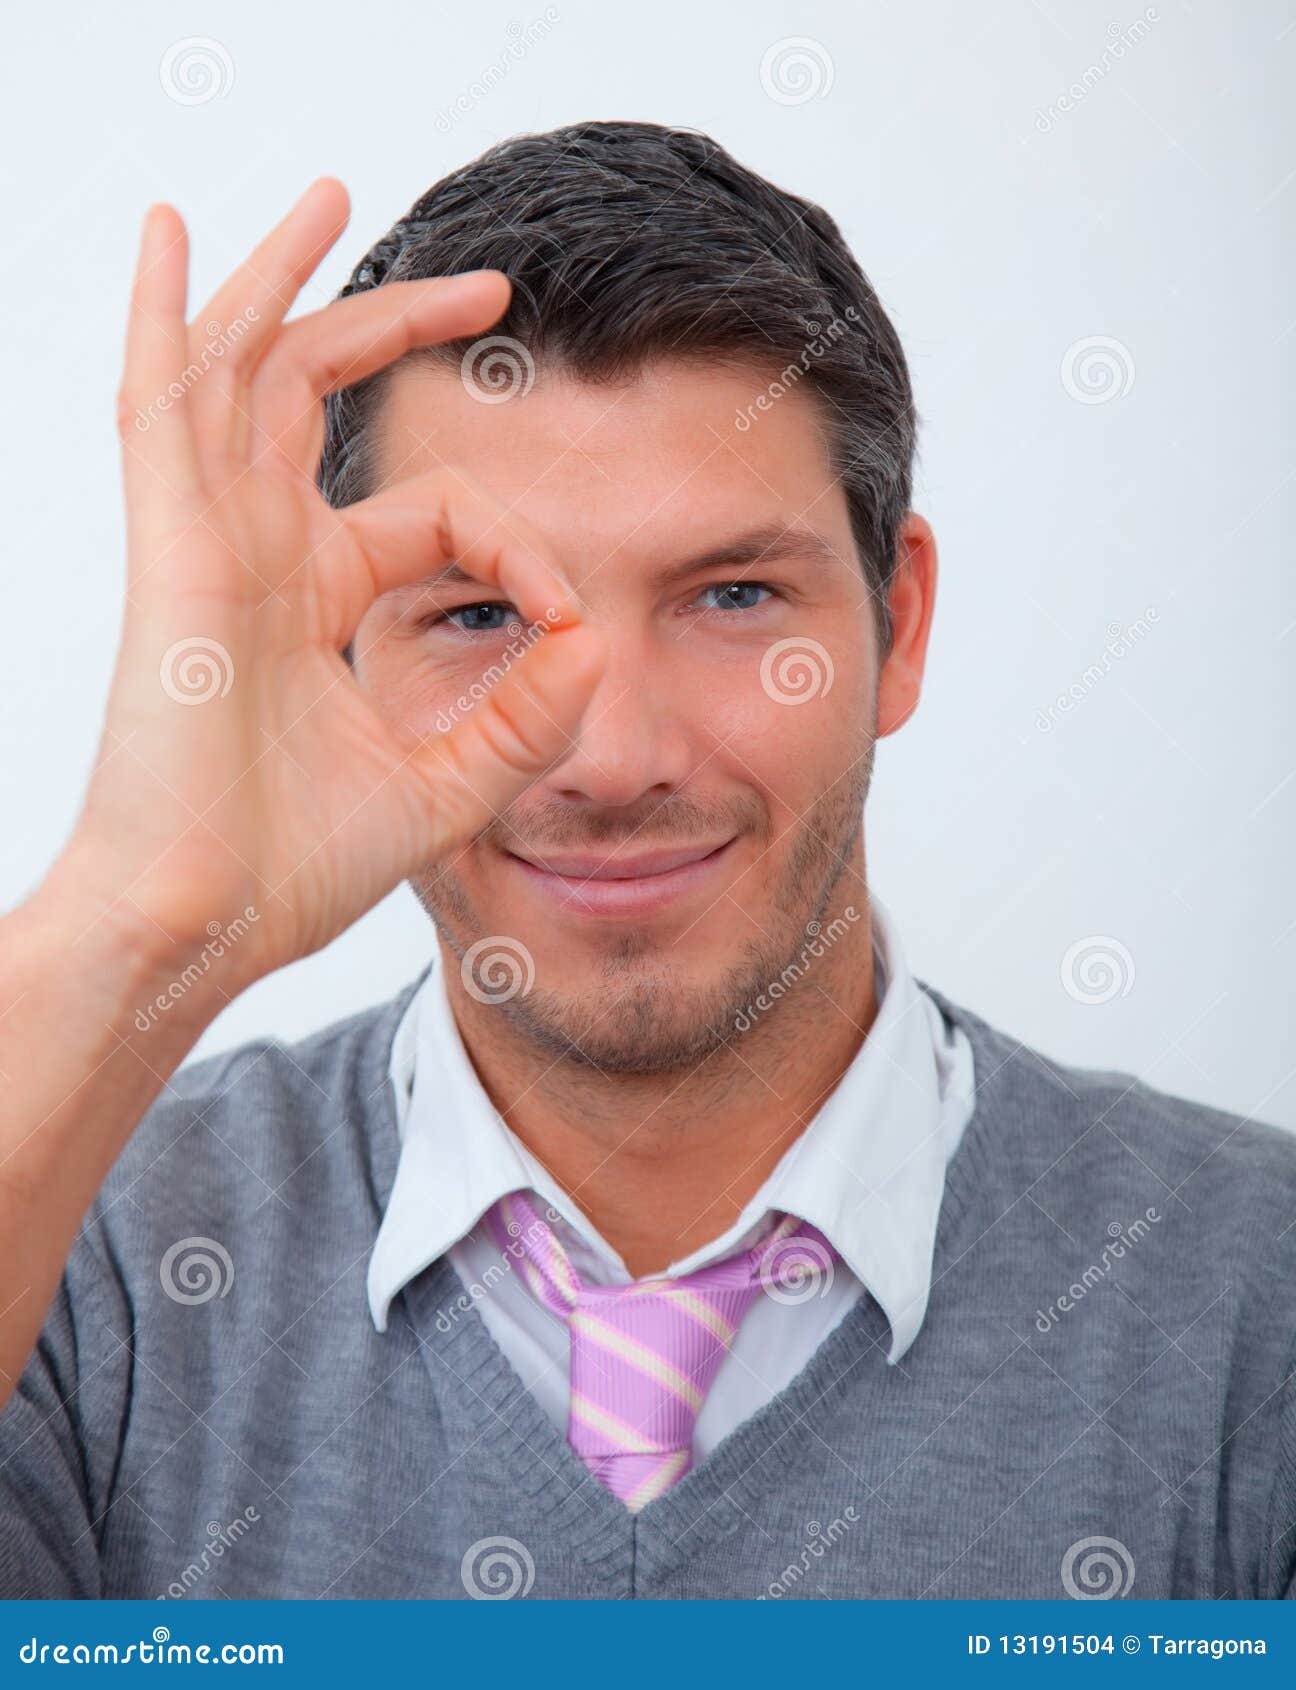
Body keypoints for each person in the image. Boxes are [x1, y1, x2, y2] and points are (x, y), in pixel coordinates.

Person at [0, 121, 1292, 1602]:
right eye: (480, 614)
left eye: (733, 594)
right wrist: (124, 916)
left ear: (900, 625)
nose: (611, 758)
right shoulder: (77, 1260)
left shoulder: (1252, 1302)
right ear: (340, 649)